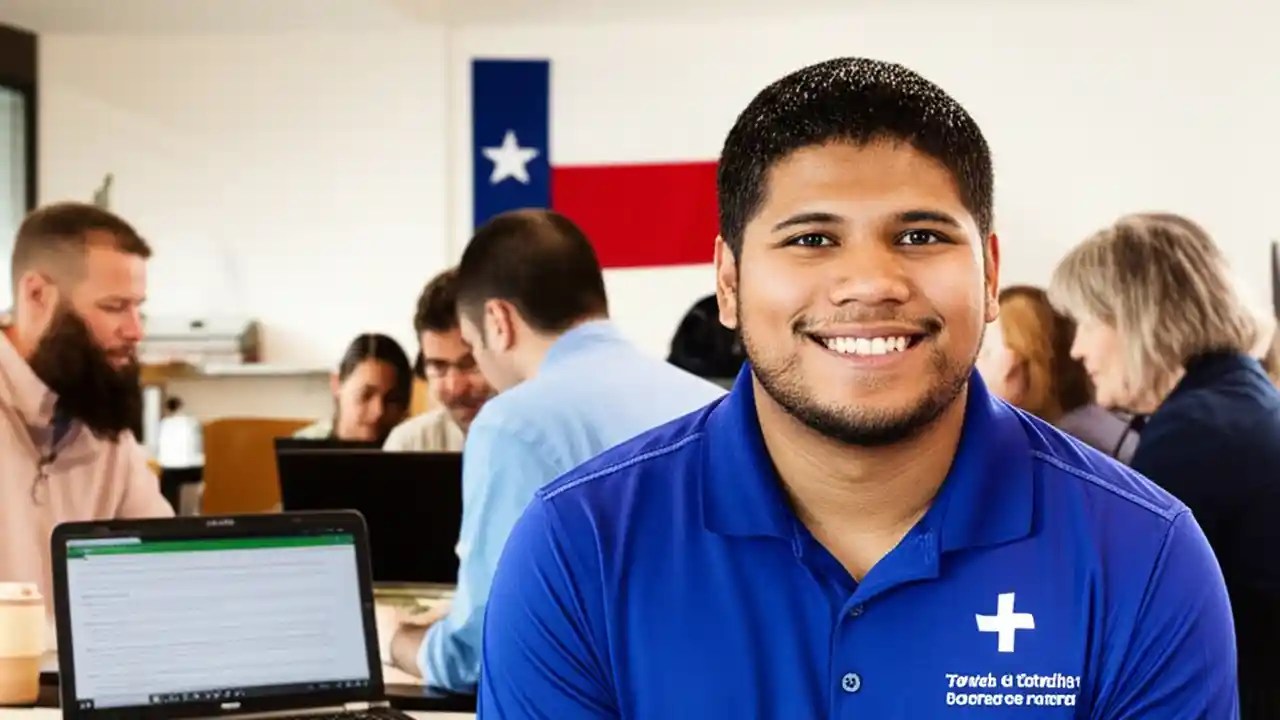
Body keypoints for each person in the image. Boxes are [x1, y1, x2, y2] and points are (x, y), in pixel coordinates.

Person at [478, 59, 1237, 718]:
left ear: (991, 272)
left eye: (921, 236)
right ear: (730, 281)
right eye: (812, 239)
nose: (871, 282)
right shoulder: (578, 548)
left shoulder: (1142, 555)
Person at [382, 209, 725, 693]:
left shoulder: (512, 424)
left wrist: (395, 637)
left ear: (497, 323)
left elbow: (480, 653)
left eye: (474, 346)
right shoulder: (712, 402)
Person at [1049, 211, 1278, 717]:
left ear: (1139, 318)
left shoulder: (1194, 435)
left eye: (1089, 322)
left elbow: (1121, 623)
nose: (1077, 348)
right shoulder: (1239, 401)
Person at [0, 202, 173, 615]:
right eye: (114, 307)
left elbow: (166, 565)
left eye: (138, 307)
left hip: (73, 676)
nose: (135, 330)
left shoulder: (97, 411)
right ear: (37, 295)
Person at [977, 285, 1138, 462]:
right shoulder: (1098, 425)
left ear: (1021, 365)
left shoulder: (1070, 445)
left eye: (987, 352)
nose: (974, 366)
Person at [383, 268, 493, 452]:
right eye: (438, 367)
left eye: (470, 364)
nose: (454, 388)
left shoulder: (549, 443)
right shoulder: (408, 447)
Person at [294, 332, 413, 445]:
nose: (378, 411)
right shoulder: (301, 449)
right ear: (336, 385)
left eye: (392, 400)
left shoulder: (414, 447)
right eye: (365, 395)